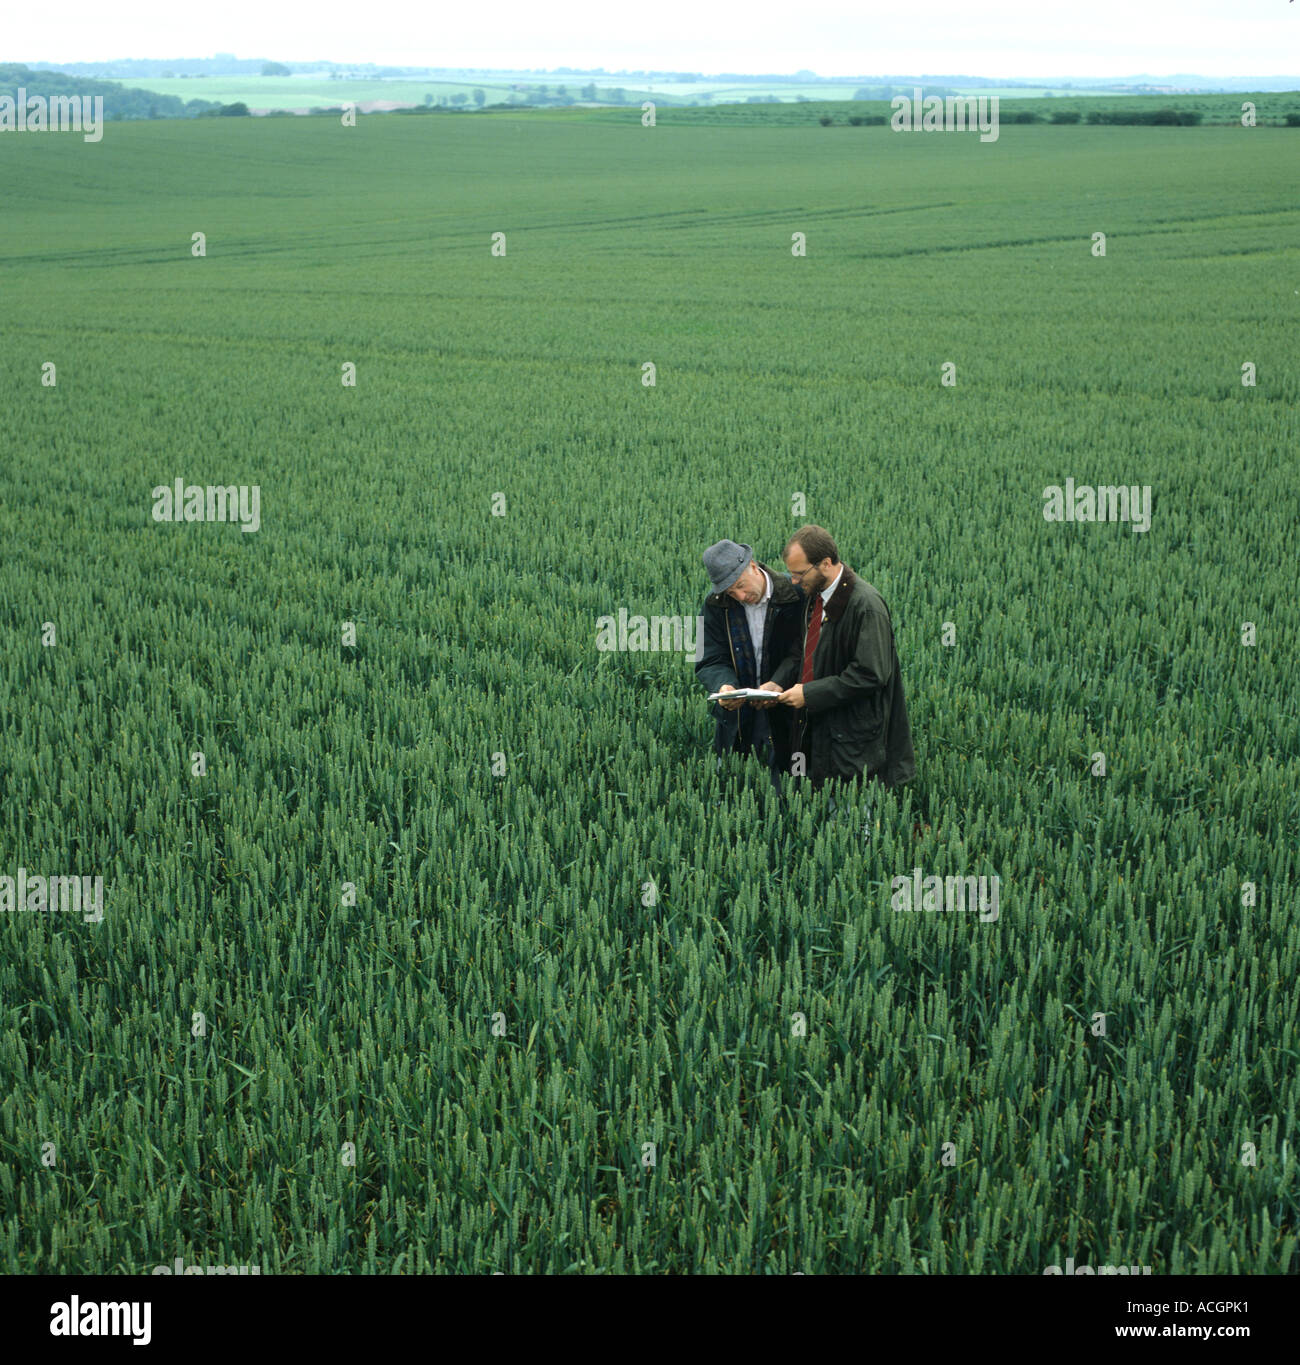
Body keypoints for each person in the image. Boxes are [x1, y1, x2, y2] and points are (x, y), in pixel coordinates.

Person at [776, 525, 916, 804]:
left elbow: (870, 674)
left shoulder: (866, 606)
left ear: (826, 564)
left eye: (799, 573)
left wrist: (809, 694)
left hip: (854, 741)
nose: (793, 581)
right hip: (819, 731)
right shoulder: (815, 595)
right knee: (820, 817)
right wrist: (776, 682)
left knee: (853, 823)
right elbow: (801, 650)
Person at [695, 539, 804, 785]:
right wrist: (724, 686)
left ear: (754, 567)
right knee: (734, 787)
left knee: (790, 787)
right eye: (731, 592)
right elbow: (708, 657)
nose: (740, 596)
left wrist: (778, 682)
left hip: (789, 711)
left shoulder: (795, 594)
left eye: (741, 586)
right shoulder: (714, 604)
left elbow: (806, 650)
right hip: (739, 717)